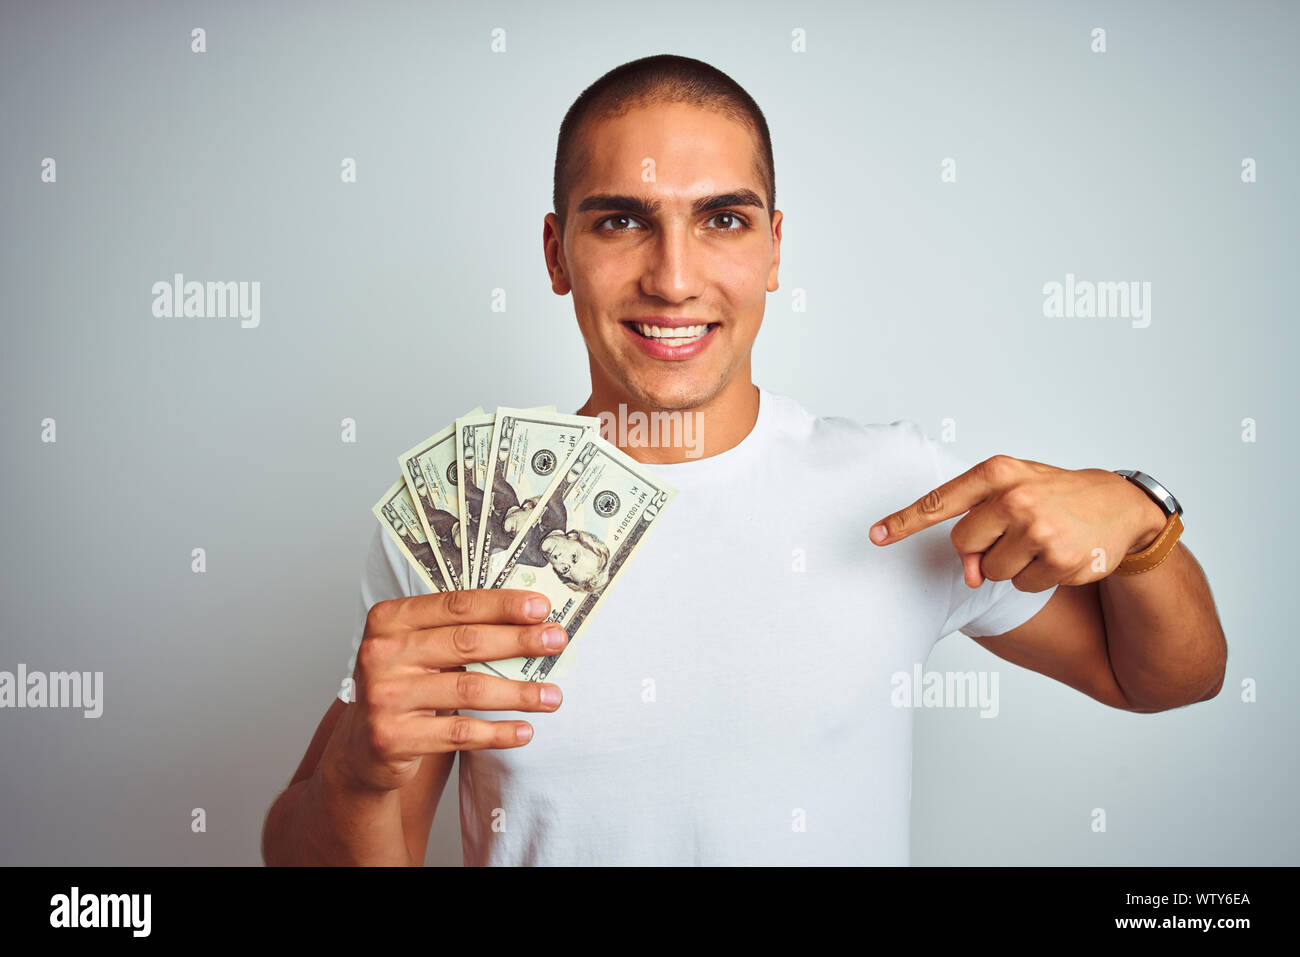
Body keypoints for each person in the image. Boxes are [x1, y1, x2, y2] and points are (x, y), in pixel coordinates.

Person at [262, 54, 1227, 866]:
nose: (674, 277)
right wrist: (356, 769)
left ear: (773, 247)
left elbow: (1164, 677)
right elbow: (306, 849)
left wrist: (1143, 524)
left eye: (722, 219)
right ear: (557, 254)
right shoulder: (475, 521)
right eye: (620, 220)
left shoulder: (899, 491)